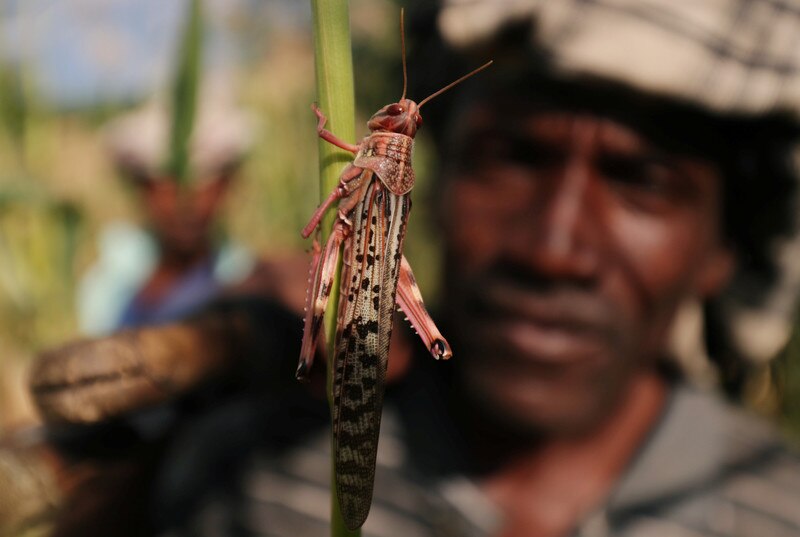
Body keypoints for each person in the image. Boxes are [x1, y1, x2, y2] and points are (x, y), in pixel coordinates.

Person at [27, 1, 800, 536]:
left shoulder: (777, 506)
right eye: (514, 155)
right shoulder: (246, 471)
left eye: (644, 178)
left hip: (374, 263)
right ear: (440, 167)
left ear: (730, 242)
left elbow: (316, 223)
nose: (553, 247)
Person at [77, 93, 256, 335]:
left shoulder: (248, 278)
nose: (187, 201)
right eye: (167, 184)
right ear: (141, 188)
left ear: (226, 186)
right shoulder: (109, 290)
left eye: (205, 183)